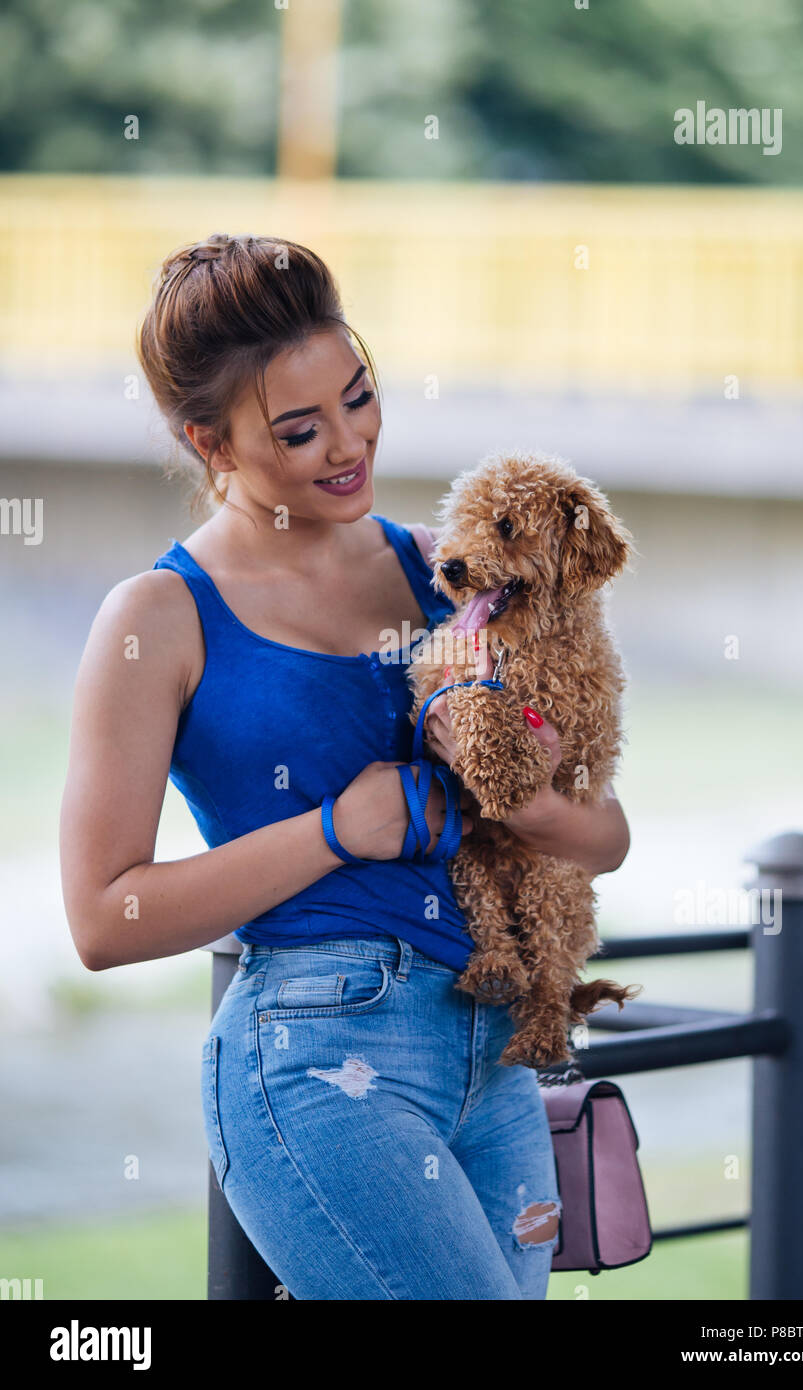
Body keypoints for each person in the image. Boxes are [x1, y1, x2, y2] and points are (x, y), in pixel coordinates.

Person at [59, 233, 630, 1300]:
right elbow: (102, 917)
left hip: (494, 1051)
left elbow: (606, 834)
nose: (347, 443)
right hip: (318, 1060)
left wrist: (535, 802)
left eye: (359, 397)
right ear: (208, 441)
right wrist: (337, 828)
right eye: (298, 429)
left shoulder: (445, 572)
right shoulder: (157, 617)